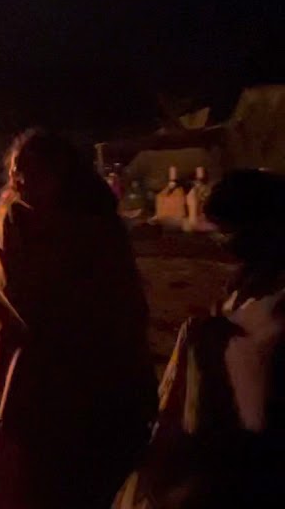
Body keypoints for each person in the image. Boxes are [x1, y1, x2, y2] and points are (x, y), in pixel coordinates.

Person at [0, 129, 156, 509]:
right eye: (14, 170)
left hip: (87, 388)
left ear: (61, 174)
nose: (18, 179)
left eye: (30, 171)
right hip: (25, 386)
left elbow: (120, 306)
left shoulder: (96, 230)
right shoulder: (11, 225)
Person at [115, 170, 285, 508]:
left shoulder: (275, 288)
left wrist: (220, 340)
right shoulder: (246, 277)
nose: (221, 239)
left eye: (228, 229)